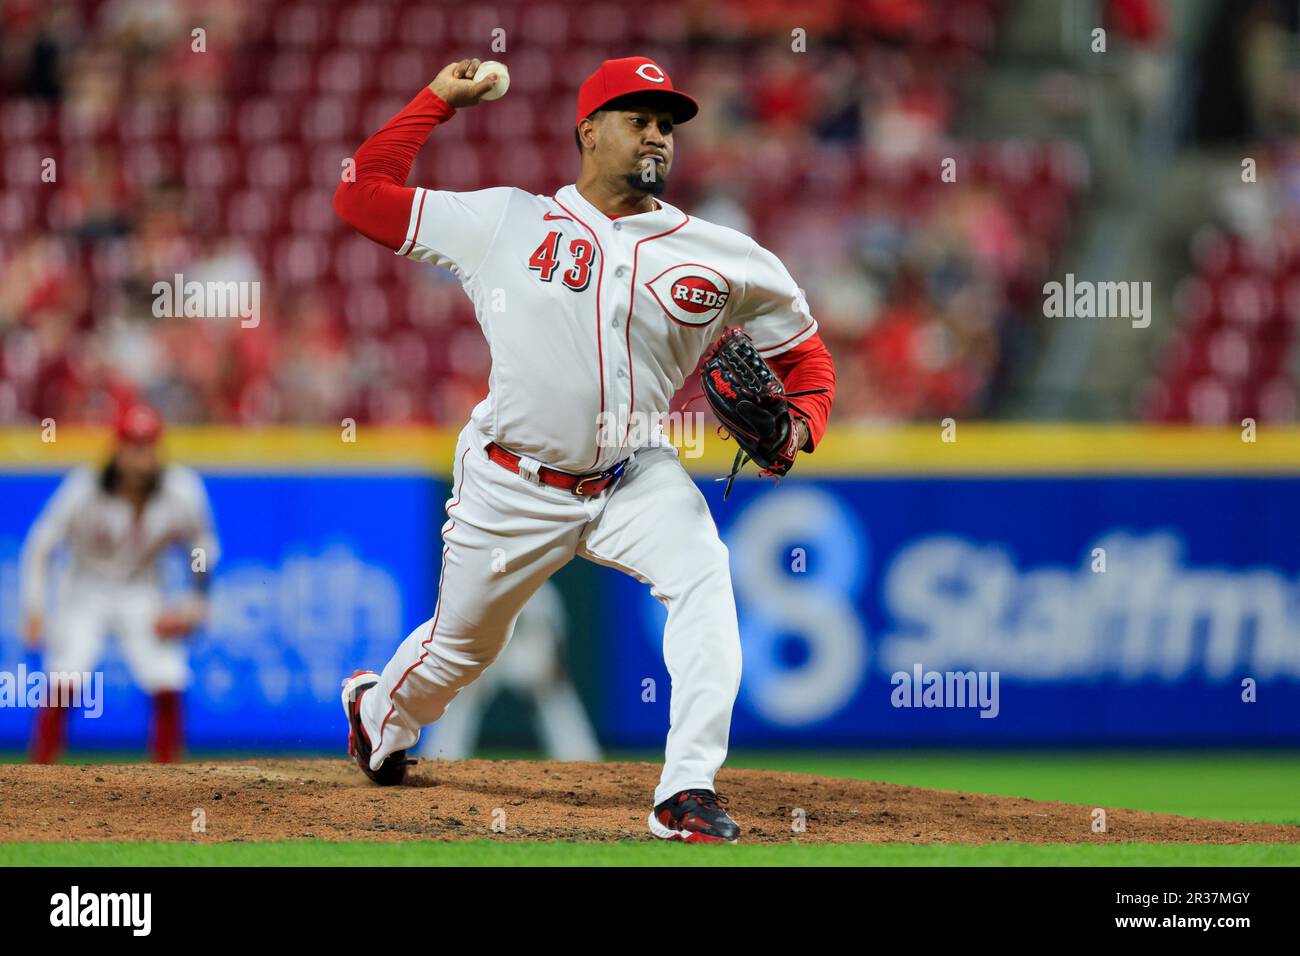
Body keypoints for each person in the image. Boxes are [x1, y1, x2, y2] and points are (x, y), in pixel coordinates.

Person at [334, 56, 836, 843]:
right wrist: (435, 100)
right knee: (454, 658)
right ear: (588, 131)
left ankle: (686, 790)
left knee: (706, 580)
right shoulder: (507, 221)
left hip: (635, 474)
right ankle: (375, 713)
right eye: (638, 119)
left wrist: (803, 424)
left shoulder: (724, 255)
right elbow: (358, 195)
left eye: (667, 125)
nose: (657, 137)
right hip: (511, 482)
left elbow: (805, 359)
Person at [21, 403, 219, 763]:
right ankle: (39, 776)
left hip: (142, 588)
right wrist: (34, 607)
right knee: (66, 678)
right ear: (118, 447)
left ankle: (168, 779)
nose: (141, 455)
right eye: (133, 444)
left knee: (168, 679)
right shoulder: (85, 488)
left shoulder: (181, 490)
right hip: (84, 588)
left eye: (148, 444)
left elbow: (202, 548)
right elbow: (41, 546)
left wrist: (196, 600)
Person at [415, 581, 601, 762]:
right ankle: (441, 758)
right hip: (488, 643)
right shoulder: (481, 584)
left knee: (554, 695)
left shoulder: (540, 591)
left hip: (527, 644)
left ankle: (579, 758)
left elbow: (553, 638)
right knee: (462, 693)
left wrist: (554, 670)